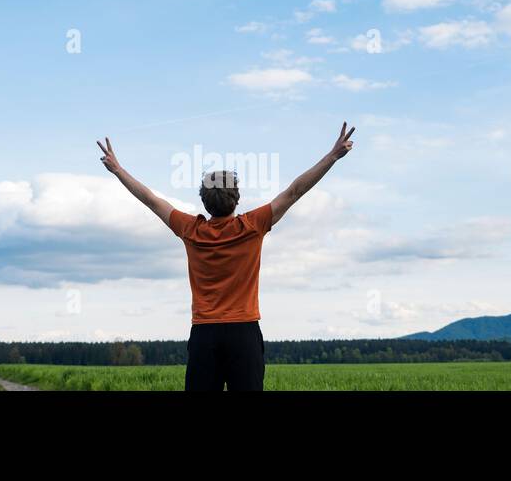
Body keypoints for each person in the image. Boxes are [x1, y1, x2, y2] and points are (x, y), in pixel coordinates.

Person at [97, 122, 355, 390]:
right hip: (244, 333)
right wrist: (332, 156)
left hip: (204, 334)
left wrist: (118, 170)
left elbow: (151, 200)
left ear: (204, 201)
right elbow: (294, 191)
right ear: (237, 198)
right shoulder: (252, 226)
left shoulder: (190, 229)